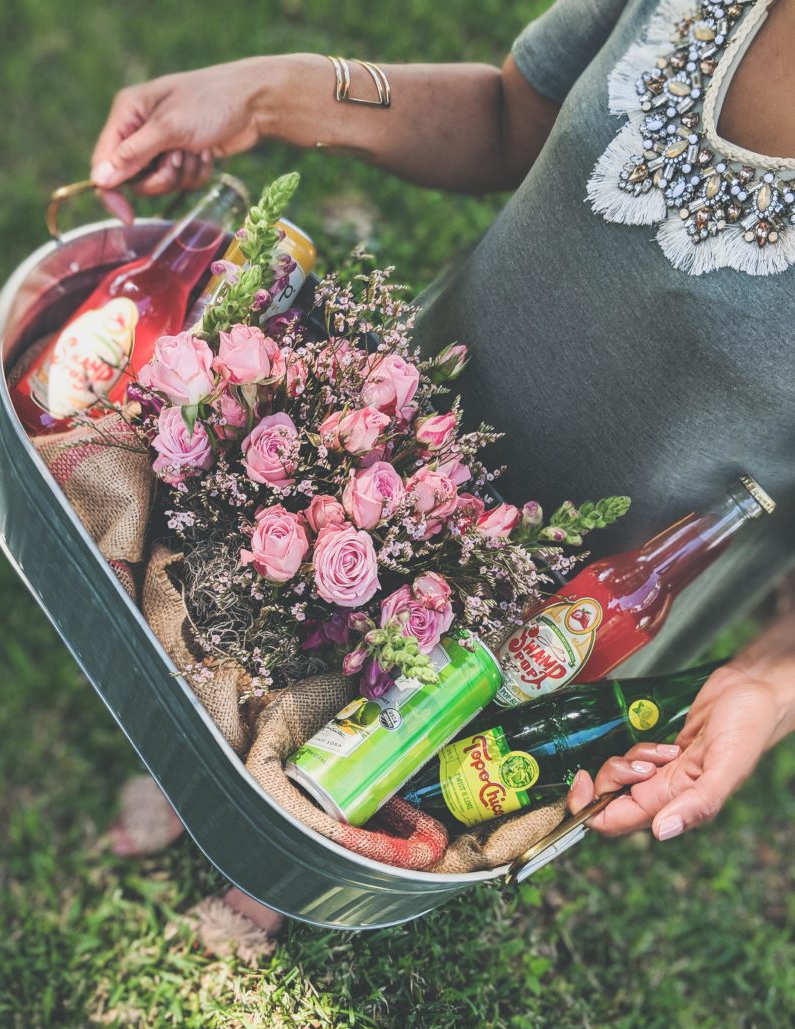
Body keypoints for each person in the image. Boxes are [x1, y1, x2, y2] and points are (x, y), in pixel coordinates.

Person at [91, 0, 794, 925]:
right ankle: (204, 762)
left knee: (397, 765)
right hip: (392, 454)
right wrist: (264, 93)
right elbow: (511, 117)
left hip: (584, 606)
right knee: (258, 635)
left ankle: (283, 860)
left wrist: (770, 682)